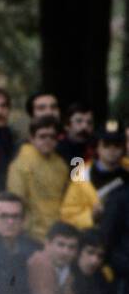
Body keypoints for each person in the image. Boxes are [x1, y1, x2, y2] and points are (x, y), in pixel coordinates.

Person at [7, 114, 68, 242]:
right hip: (31, 235)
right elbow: (17, 201)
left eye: (52, 137)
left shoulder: (61, 165)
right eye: (42, 136)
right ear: (32, 138)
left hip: (57, 232)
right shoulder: (20, 164)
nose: (48, 140)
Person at [60, 128, 128, 230]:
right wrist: (91, 217)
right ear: (97, 147)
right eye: (106, 144)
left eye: (117, 145)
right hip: (90, 238)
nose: (112, 149)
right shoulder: (81, 176)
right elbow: (67, 216)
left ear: (123, 149)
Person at [56, 101, 95, 169]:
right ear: (66, 125)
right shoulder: (55, 149)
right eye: (79, 121)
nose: (84, 126)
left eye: (89, 123)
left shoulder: (96, 150)